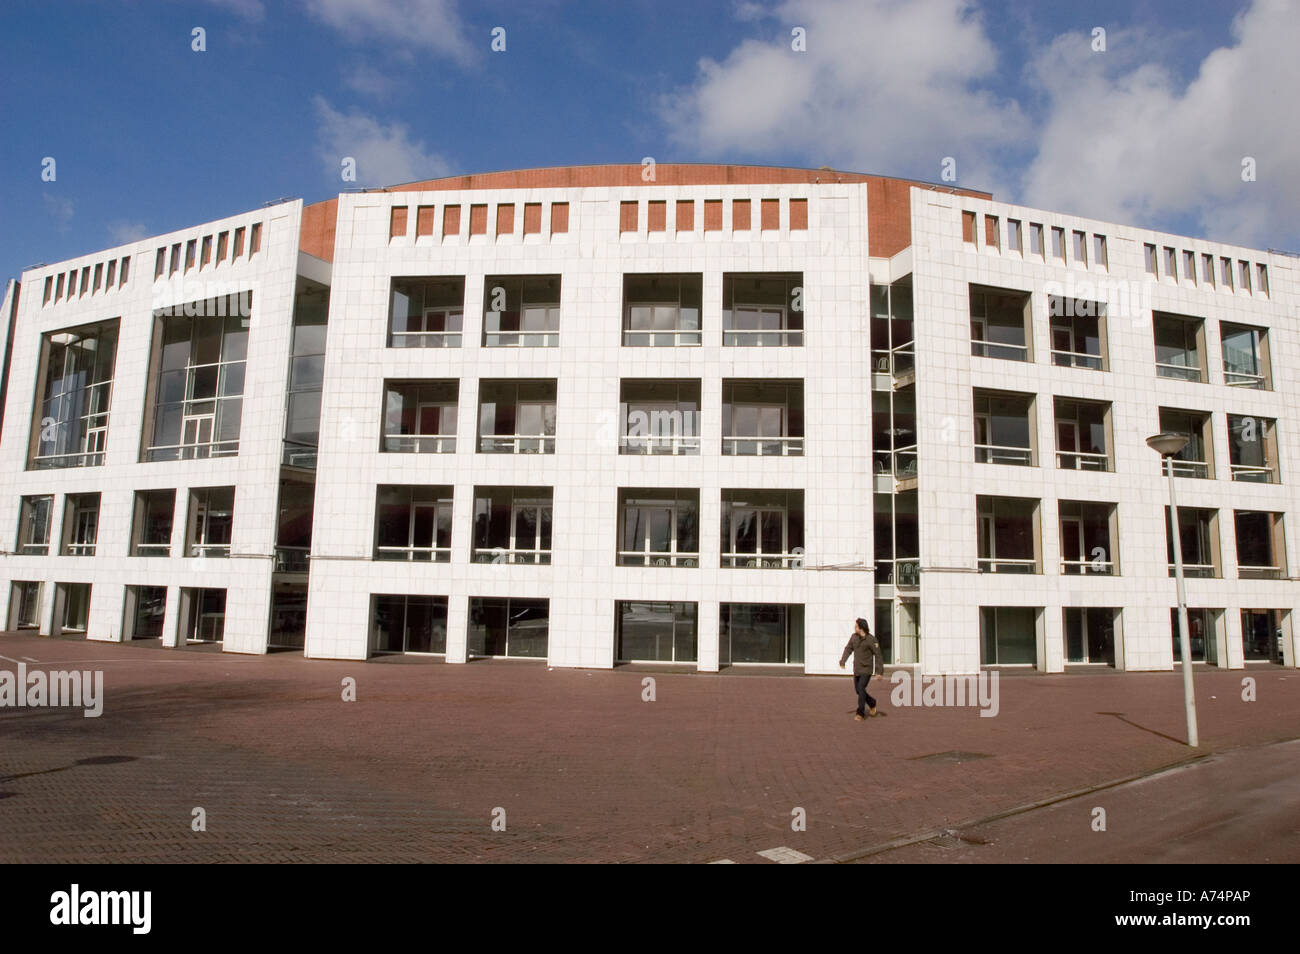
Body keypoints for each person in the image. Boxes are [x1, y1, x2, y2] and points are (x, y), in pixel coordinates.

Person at [839, 617, 885, 721]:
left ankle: (860, 713)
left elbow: (878, 655)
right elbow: (848, 649)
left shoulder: (871, 639)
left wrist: (879, 671)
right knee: (858, 690)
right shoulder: (854, 637)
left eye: (856, 626)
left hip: (866, 670)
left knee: (860, 687)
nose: (854, 628)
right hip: (857, 669)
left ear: (861, 628)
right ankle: (872, 703)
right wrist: (843, 661)